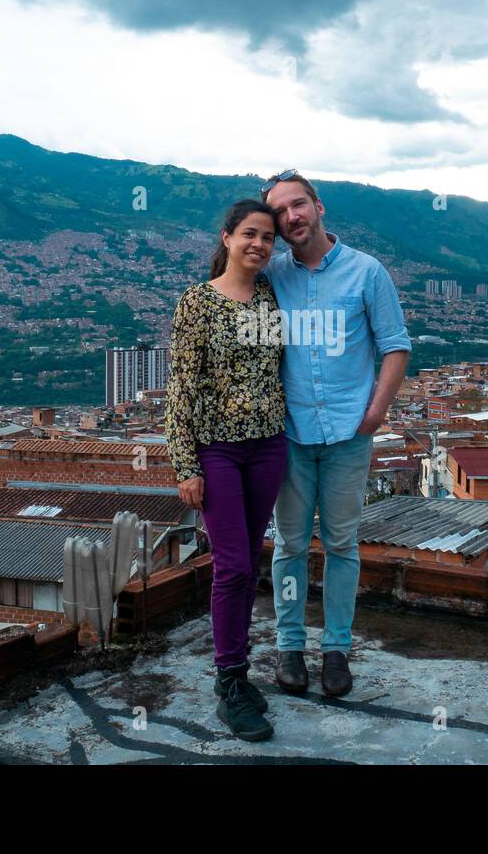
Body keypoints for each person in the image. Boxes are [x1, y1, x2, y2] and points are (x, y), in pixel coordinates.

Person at [260, 170, 411, 696]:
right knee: (290, 545)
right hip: (291, 434)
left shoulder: (367, 272)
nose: (291, 217)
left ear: (318, 206)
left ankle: (337, 650)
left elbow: (396, 345)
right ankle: (289, 646)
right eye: (280, 212)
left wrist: (373, 415)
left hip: (350, 433)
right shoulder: (271, 275)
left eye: (297, 205)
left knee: (343, 544)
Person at [164, 199, 287, 742]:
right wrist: (185, 465)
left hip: (268, 448)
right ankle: (229, 681)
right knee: (232, 565)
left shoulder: (270, 297)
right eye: (250, 235)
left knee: (248, 563)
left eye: (268, 238)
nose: (260, 245)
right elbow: (181, 389)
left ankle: (238, 669)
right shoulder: (197, 303)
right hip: (217, 451)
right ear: (227, 237)